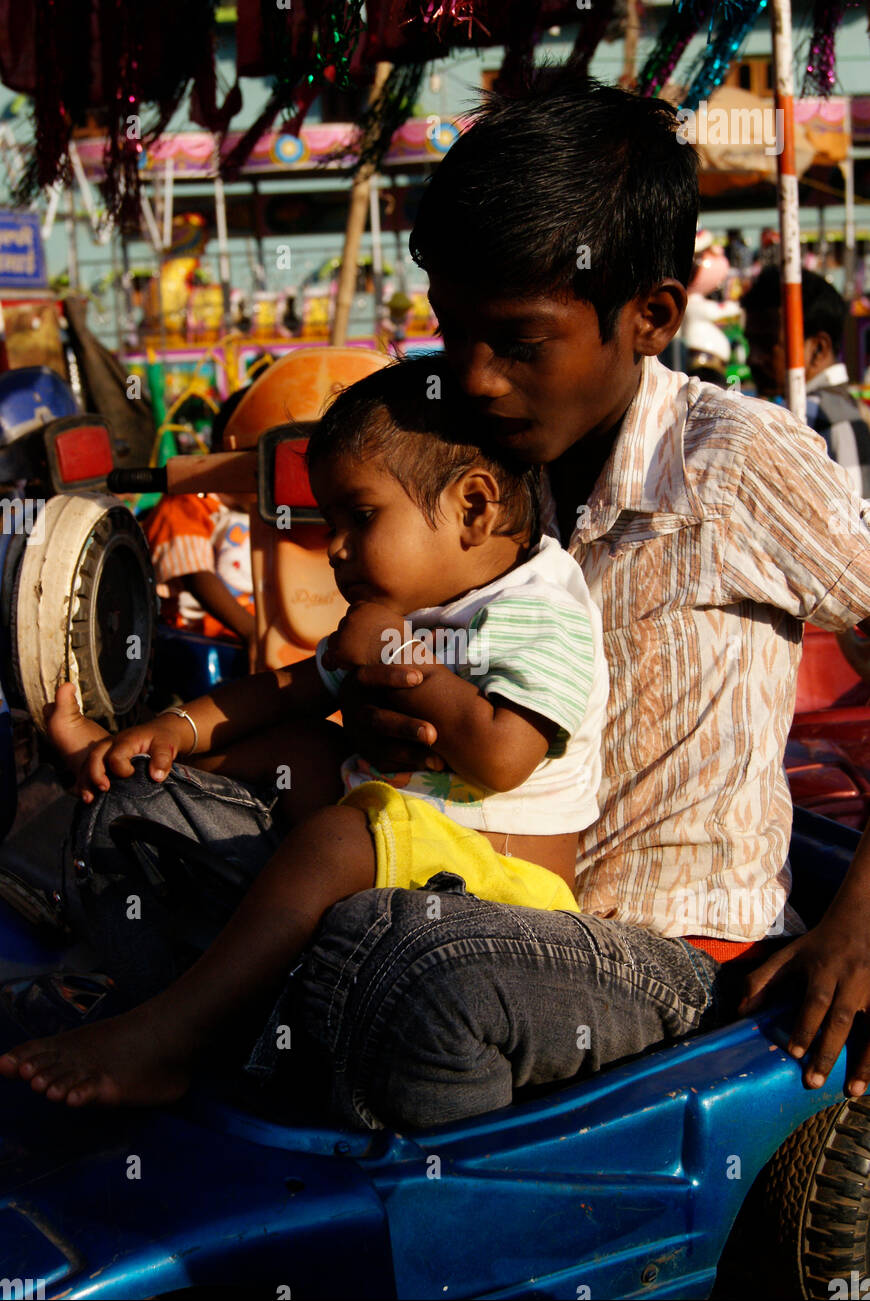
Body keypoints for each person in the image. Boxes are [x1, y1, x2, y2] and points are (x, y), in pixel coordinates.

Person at [8, 71, 870, 1131]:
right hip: (444, 878)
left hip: (657, 956)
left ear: (648, 316)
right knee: (140, 823)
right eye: (451, 331)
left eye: (516, 341)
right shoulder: (471, 453)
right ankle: (229, 1034)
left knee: (417, 971)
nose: (473, 375)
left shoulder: (736, 463)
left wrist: (863, 922)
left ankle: (248, 1039)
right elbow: (345, 690)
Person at [0, 358, 607, 1106]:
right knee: (302, 749)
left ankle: (170, 1038)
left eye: (362, 517)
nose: (337, 548)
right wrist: (173, 729)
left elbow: (504, 756)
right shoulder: (417, 602)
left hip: (505, 888)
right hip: (411, 836)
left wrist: (396, 657)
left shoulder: (538, 610)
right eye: (330, 523)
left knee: (337, 838)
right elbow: (286, 691)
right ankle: (125, 762)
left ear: (474, 508)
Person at [742, 265, 870, 495]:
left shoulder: (825, 416)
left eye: (766, 344)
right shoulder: (823, 411)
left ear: (818, 348)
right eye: (751, 344)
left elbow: (852, 525)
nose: (752, 358)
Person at [143, 490, 257, 646]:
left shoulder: (264, 513)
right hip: (196, 637)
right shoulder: (186, 501)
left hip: (254, 633)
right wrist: (252, 632)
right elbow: (194, 574)